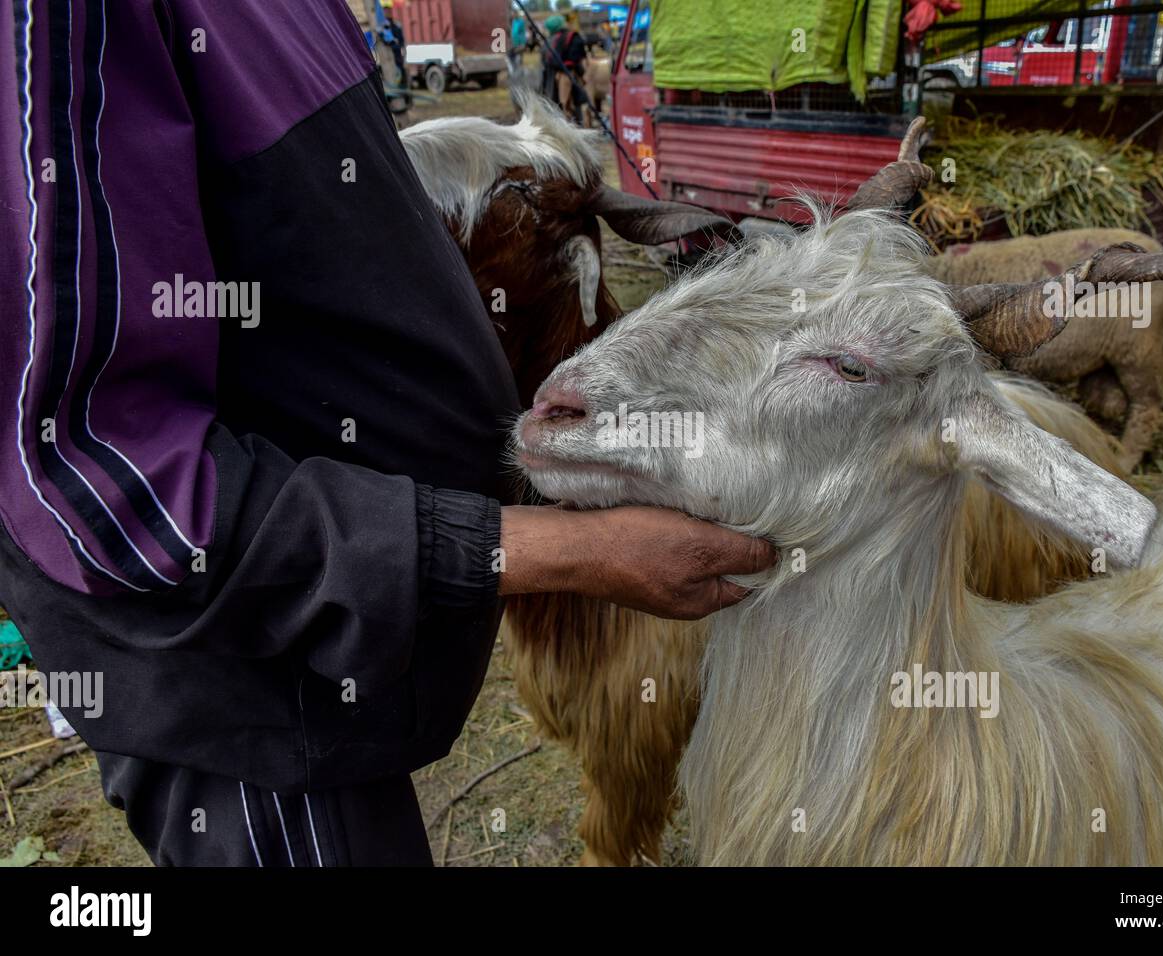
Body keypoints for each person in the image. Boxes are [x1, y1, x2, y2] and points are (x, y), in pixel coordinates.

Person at [0, 0, 773, 866]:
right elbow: (114, 486)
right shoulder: (57, 28)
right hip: (245, 703)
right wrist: (561, 553)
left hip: (339, 657)